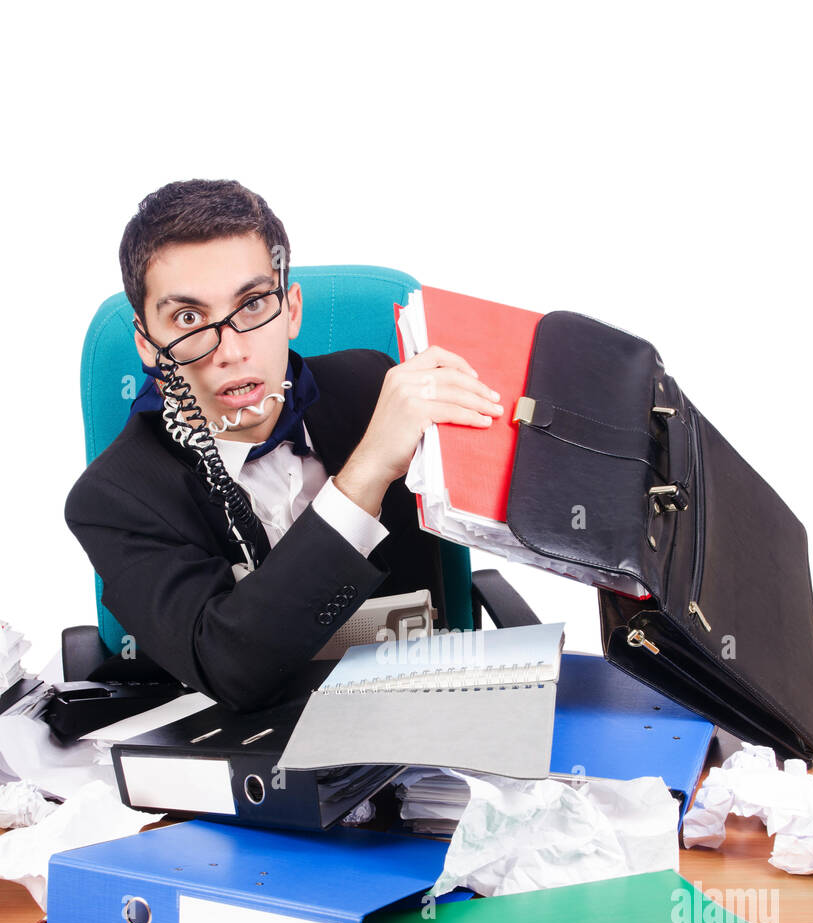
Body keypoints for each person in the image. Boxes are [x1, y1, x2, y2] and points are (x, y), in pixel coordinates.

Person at [65, 179, 503, 710]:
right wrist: (364, 475)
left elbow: (517, 497)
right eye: (187, 319)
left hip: (418, 716)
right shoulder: (112, 500)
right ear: (147, 344)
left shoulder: (376, 388)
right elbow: (231, 668)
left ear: (292, 309)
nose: (229, 350)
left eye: (252, 305)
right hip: (235, 753)